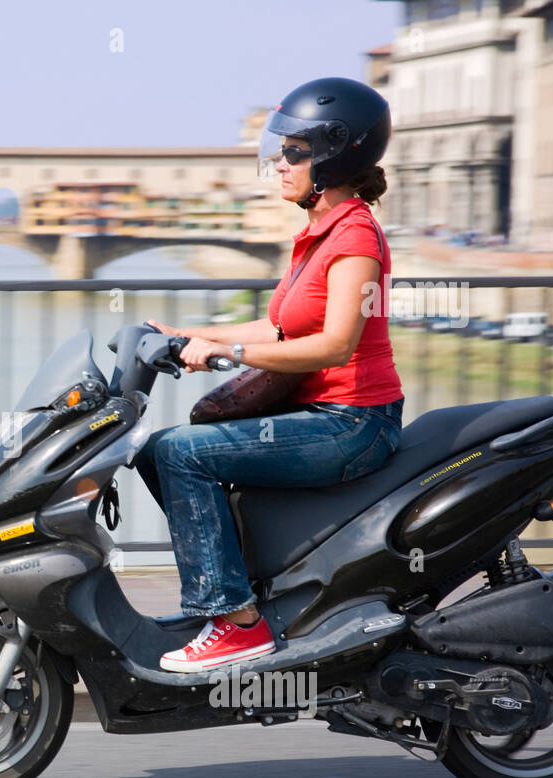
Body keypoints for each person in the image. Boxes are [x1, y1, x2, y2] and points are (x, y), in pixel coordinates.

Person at [135, 76, 405, 673]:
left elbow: (335, 345)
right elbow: (281, 329)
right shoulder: (318, 234)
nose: (279, 165)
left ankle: (236, 623)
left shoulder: (355, 236)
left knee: (183, 454)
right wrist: (187, 336)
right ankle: (245, 591)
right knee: (156, 451)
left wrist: (228, 356)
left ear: (335, 157)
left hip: (354, 421)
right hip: (325, 415)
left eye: (294, 153)